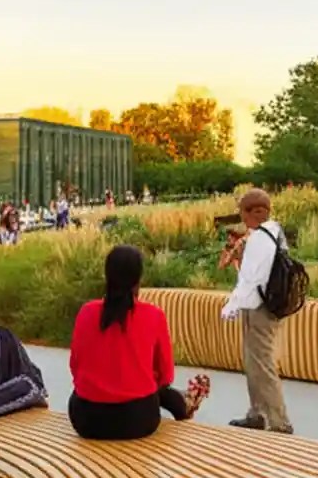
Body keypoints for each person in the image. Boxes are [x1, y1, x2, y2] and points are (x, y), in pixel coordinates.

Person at [68, 244, 210, 440]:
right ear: (138, 279)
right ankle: (183, 404)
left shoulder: (86, 312)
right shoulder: (153, 315)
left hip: (87, 421)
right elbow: (166, 376)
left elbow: (75, 366)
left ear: (106, 276)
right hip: (138, 421)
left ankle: (182, 402)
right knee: (154, 389)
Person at [220, 188, 292, 434]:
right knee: (254, 361)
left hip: (259, 307)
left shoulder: (260, 239)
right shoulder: (274, 232)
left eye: (242, 211)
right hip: (269, 304)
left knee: (261, 362)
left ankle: (278, 420)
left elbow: (251, 279)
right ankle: (258, 413)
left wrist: (232, 305)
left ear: (250, 213)